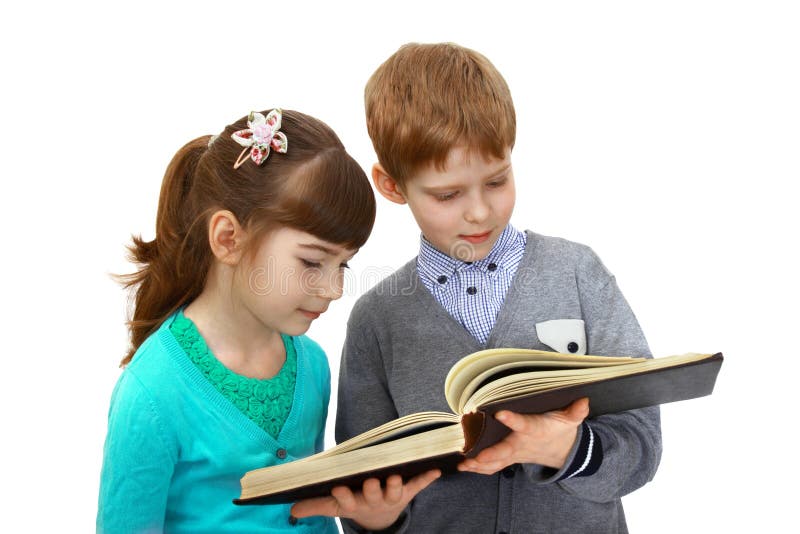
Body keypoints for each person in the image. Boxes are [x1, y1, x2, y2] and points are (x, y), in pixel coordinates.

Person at [314, 43, 662, 533]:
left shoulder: (578, 273)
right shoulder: (377, 318)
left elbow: (643, 442)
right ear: (392, 186)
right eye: (448, 194)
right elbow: (365, 480)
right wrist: (376, 520)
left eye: (497, 181)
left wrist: (567, 449)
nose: (479, 212)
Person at [97, 108, 426, 532]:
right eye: (312, 262)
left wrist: (378, 520)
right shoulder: (151, 393)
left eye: (343, 265)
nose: (333, 289)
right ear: (228, 239)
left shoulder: (312, 365)